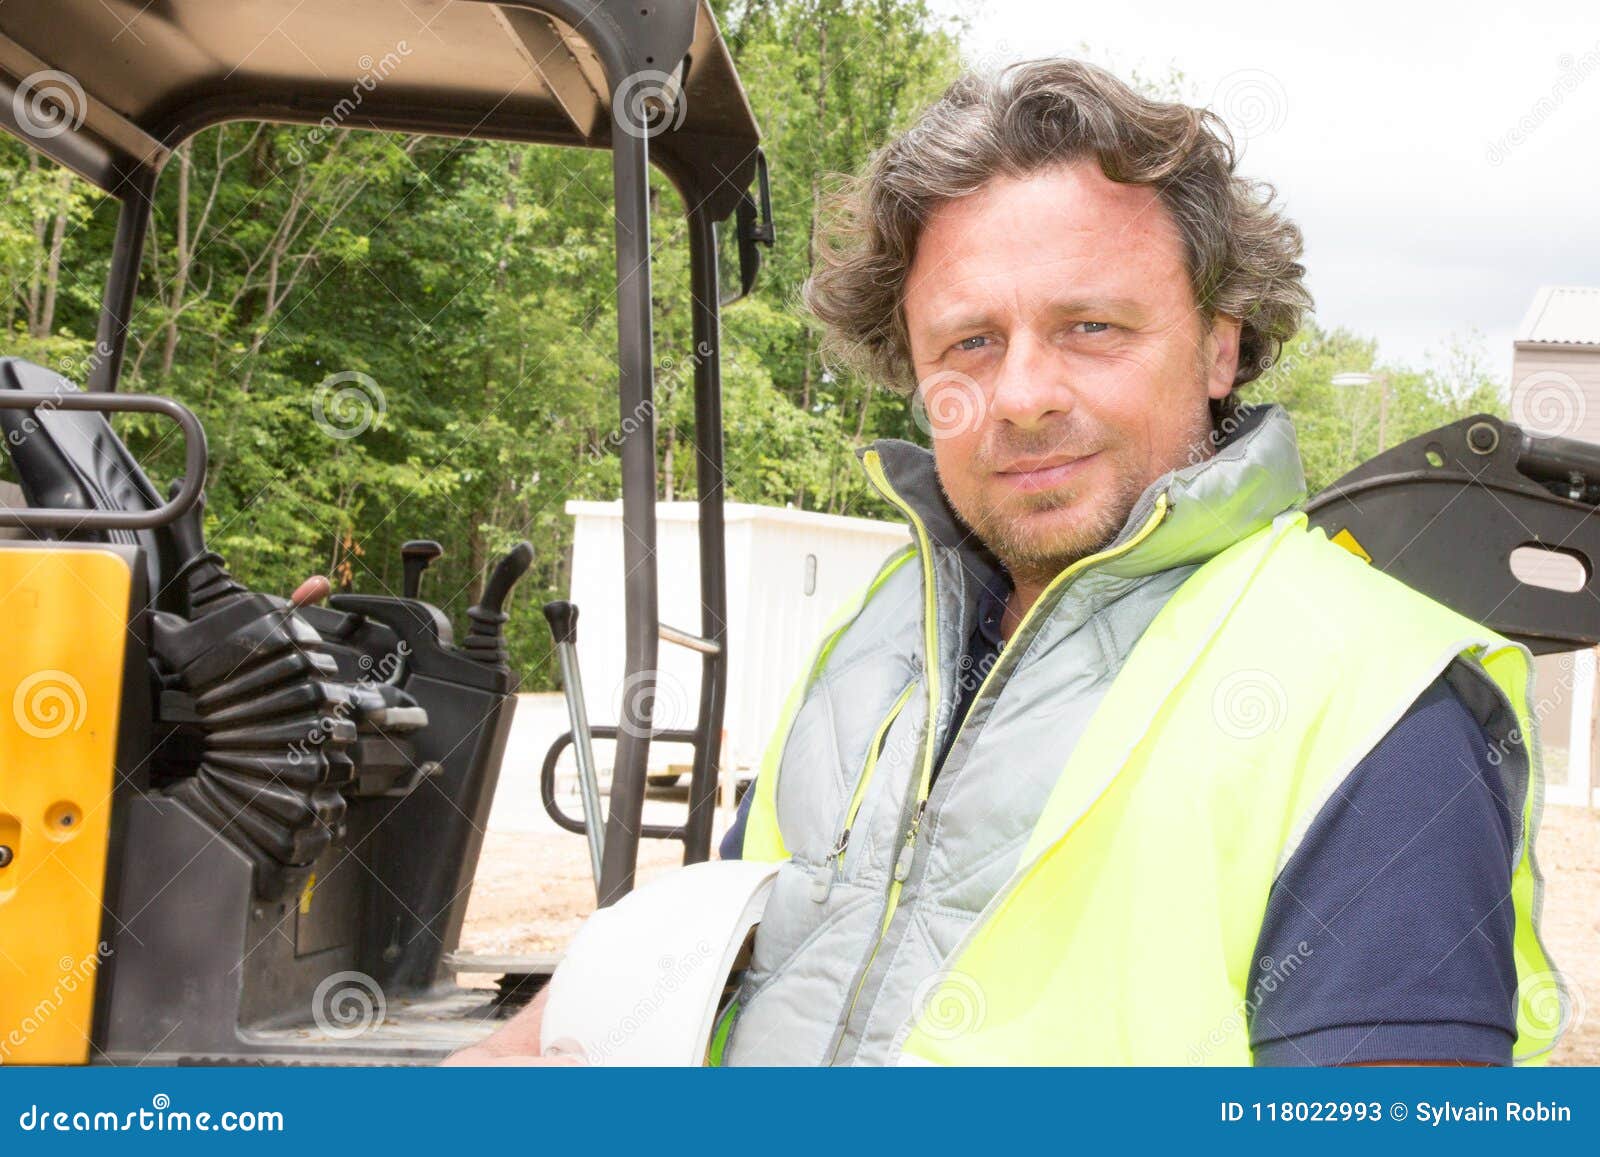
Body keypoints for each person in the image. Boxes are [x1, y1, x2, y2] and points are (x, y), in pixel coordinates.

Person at [450, 58, 1565, 1067]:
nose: (1024, 396)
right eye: (970, 342)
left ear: (1219, 345)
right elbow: (739, 949)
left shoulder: (1379, 703)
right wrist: (563, 1030)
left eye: (1091, 327)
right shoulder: (880, 637)